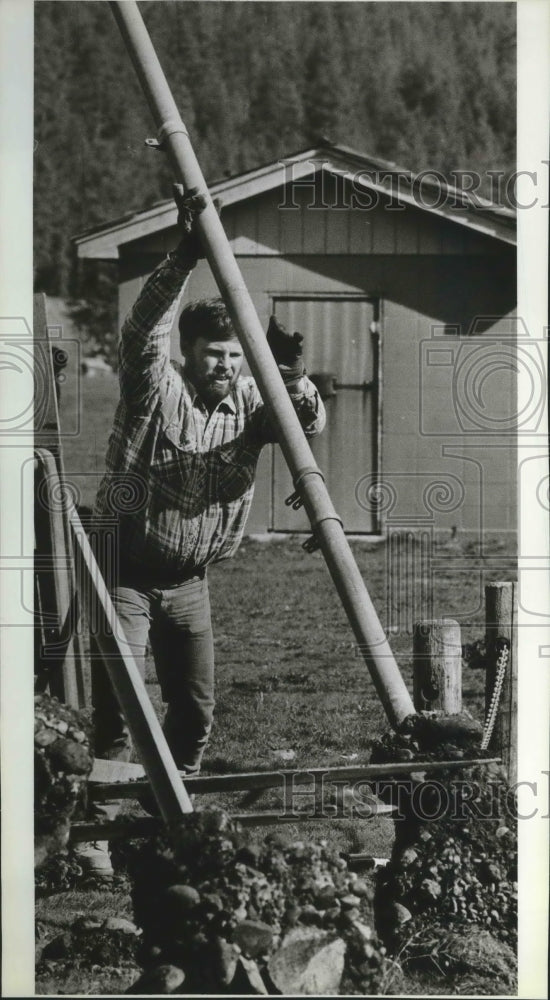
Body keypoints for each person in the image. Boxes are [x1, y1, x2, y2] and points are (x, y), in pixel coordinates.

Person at [79, 187, 325, 874]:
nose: (226, 364)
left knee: (193, 710)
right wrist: (184, 254)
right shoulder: (157, 390)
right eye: (213, 353)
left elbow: (307, 427)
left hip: (191, 582)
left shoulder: (253, 401)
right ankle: (96, 829)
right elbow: (142, 331)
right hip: (124, 567)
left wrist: (295, 380)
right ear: (189, 354)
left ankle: (172, 816)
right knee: (122, 705)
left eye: (235, 355)